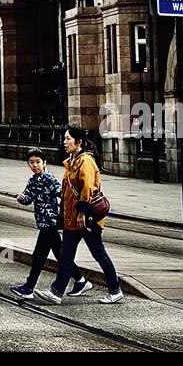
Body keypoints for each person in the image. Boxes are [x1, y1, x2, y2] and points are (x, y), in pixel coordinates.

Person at [35, 127, 123, 305]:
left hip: (86, 218)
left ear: (79, 142)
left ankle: (116, 291)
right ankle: (56, 292)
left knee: (99, 254)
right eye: (65, 138)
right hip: (72, 218)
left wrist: (82, 211)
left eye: (68, 139)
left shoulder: (86, 161)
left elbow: (87, 188)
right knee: (66, 255)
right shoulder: (71, 161)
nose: (64, 142)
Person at [9, 149, 63, 299]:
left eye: (38, 162)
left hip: (50, 223)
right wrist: (22, 198)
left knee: (39, 256)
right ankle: (80, 280)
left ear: (44, 163)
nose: (35, 165)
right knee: (60, 254)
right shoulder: (33, 180)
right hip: (43, 223)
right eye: (31, 163)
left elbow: (61, 192)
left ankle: (29, 287)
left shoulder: (48, 178)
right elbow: (28, 198)